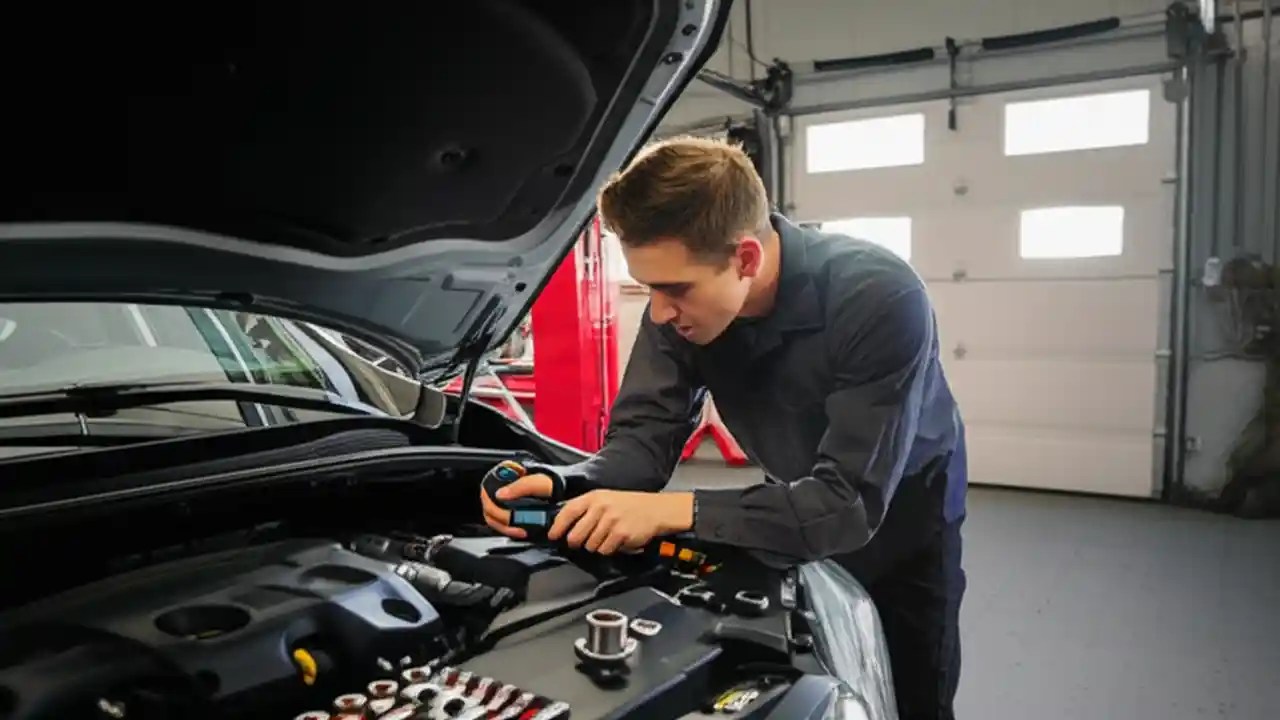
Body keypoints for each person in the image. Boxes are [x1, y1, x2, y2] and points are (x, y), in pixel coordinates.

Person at [481, 135, 967, 720]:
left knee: (911, 690)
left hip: (899, 510)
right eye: (647, 286)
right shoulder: (683, 308)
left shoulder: (879, 298)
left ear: (746, 259)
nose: (657, 313)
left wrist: (674, 511)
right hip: (790, 496)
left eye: (674, 290)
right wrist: (569, 484)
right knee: (795, 671)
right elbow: (641, 441)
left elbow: (845, 507)